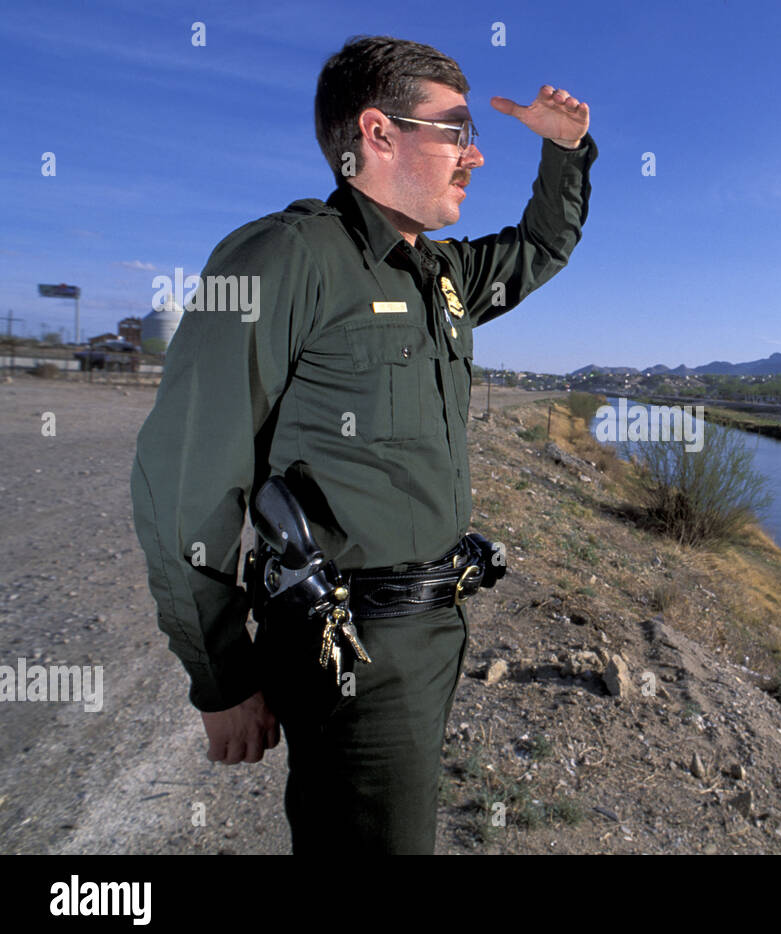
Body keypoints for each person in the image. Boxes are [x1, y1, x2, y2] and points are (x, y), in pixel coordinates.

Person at [130, 34, 596, 854]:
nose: (475, 155)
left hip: (432, 632)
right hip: (348, 649)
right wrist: (222, 675)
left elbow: (538, 249)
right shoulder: (287, 258)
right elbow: (184, 482)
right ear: (378, 134)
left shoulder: (437, 273)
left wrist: (565, 155)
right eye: (455, 130)